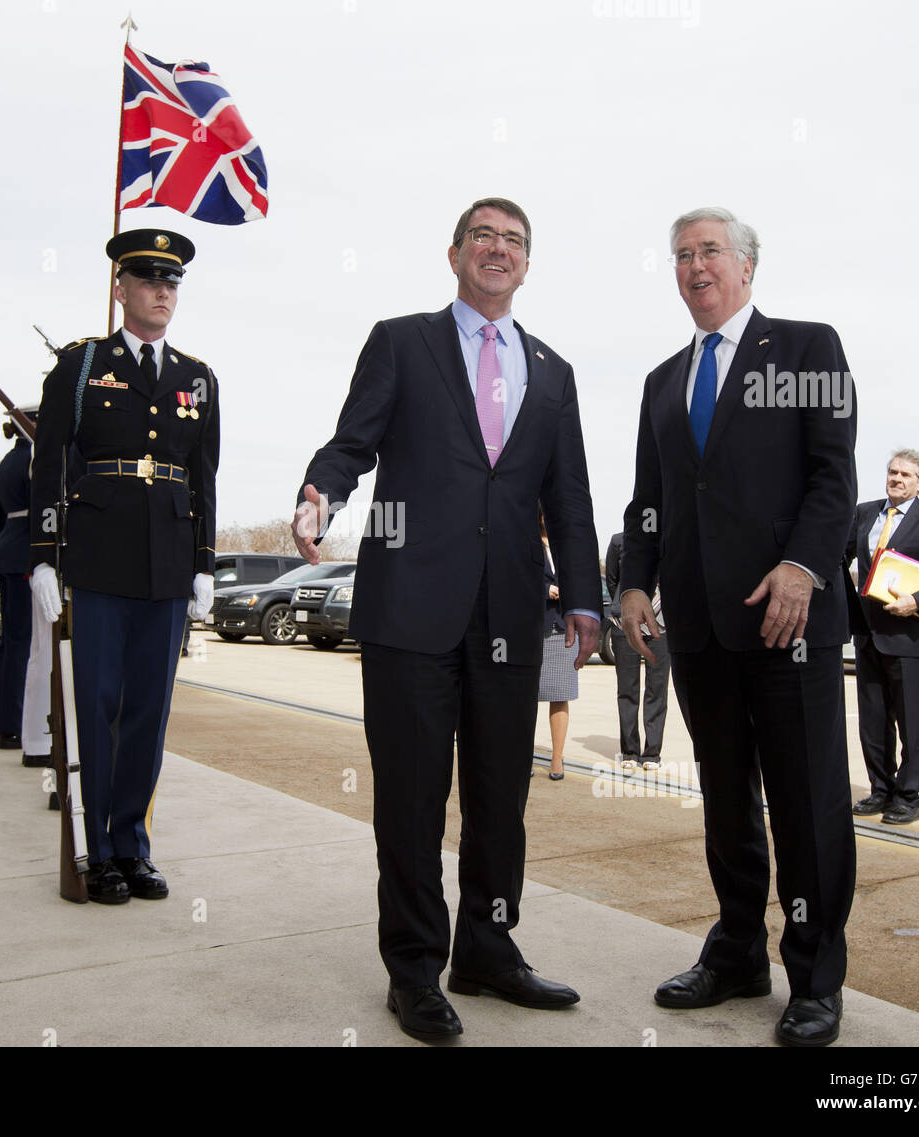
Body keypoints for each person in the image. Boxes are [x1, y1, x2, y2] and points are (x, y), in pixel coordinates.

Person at [293, 198, 600, 1043]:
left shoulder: (554, 369)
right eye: (484, 238)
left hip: (510, 611)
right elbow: (351, 441)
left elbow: (567, 495)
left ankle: (490, 950)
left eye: (514, 242)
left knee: (501, 798)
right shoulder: (402, 340)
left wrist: (583, 595)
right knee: (414, 798)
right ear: (455, 254)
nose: (498, 251)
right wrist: (321, 493)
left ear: (527, 265)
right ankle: (416, 969)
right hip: (411, 610)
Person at [620, 207, 857, 1046]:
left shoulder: (805, 349)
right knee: (726, 799)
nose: (695, 266)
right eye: (681, 254)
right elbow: (649, 501)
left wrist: (802, 566)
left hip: (785, 620)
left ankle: (815, 975)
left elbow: (834, 478)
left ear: (748, 265)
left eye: (710, 250)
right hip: (699, 627)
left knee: (806, 801)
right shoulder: (661, 381)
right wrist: (634, 583)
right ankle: (736, 952)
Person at [29, 228, 218, 905]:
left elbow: (203, 477)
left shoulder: (197, 376)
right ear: (121, 288)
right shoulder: (82, 366)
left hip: (168, 564)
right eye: (146, 279)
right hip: (100, 555)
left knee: (148, 710)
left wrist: (205, 563)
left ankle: (133, 841)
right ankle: (98, 848)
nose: (160, 291)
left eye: (170, 282)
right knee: (99, 704)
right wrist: (45, 555)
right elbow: (46, 462)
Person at [845, 449, 919, 825]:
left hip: (911, 639)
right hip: (868, 635)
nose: (897, 478)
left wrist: (918, 601)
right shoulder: (864, 513)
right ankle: (880, 790)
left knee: (911, 723)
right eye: (893, 472)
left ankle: (909, 796)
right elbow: (840, 556)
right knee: (872, 720)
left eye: (906, 475)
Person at [0, 409, 41, 756]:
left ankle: (6, 724)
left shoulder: (9, 460)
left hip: (7, 551)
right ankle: (17, 725)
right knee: (24, 644)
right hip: (26, 553)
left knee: (11, 643)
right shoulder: (34, 460)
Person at [604, 530, 668, 770]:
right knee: (627, 688)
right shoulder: (619, 541)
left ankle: (652, 753)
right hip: (625, 623)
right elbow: (612, 580)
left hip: (662, 623)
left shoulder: (667, 538)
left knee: (657, 689)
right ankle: (629, 751)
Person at [537, 511, 577, 780]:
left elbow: (580, 576)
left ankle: (557, 759)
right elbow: (514, 573)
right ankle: (522, 755)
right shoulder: (524, 538)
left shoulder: (566, 542)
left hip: (563, 628)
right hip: (533, 626)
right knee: (525, 696)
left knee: (560, 694)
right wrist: (545, 589)